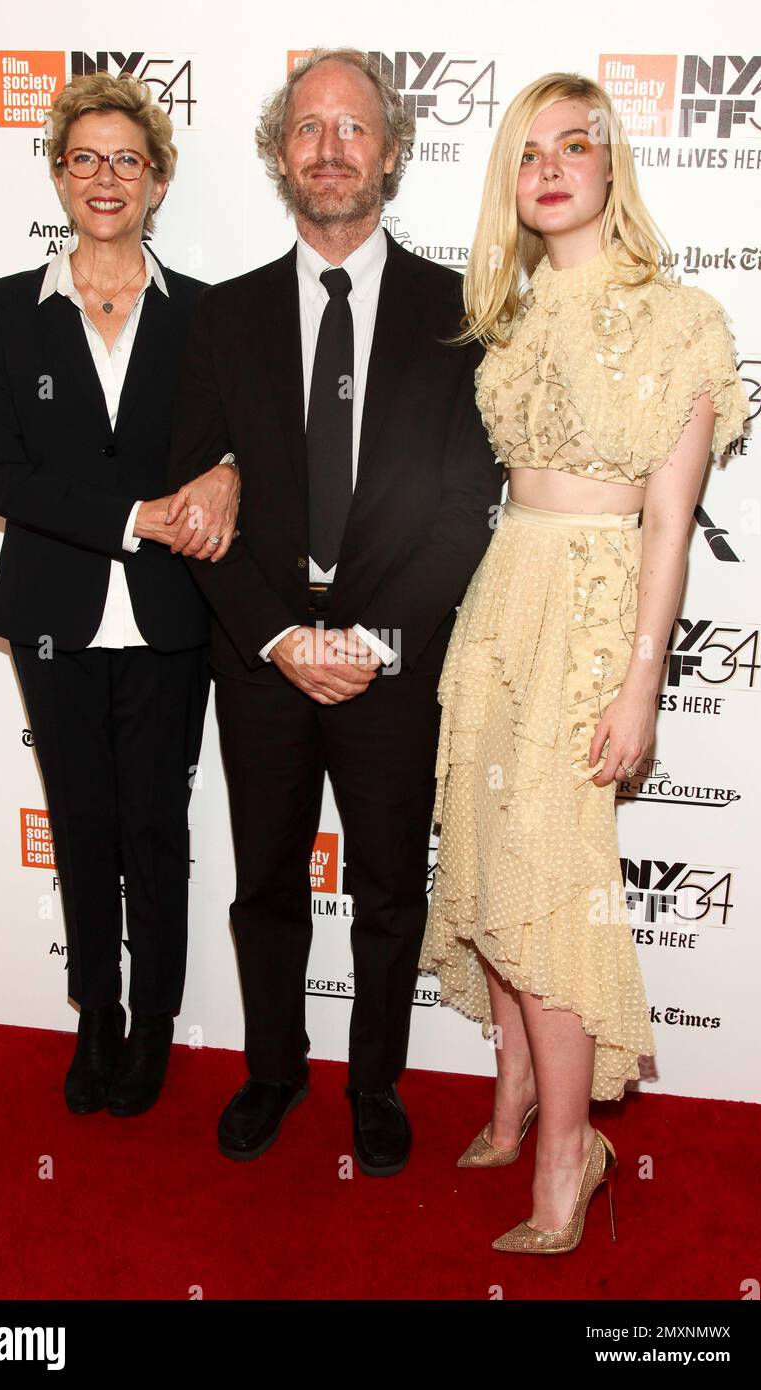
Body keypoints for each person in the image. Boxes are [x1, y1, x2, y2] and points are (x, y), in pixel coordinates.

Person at [420, 72, 750, 1250]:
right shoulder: (505, 318)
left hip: (596, 615)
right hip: (502, 603)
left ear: (613, 167)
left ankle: (572, 1150)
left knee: (552, 889)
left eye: (576, 144)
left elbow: (667, 522)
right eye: (528, 151)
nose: (552, 165)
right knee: (490, 867)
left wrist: (639, 680)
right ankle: (514, 1090)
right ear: (509, 180)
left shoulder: (680, 321)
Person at [167, 48, 499, 1175]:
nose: (327, 148)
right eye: (306, 129)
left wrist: (369, 639)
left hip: (388, 660)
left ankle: (374, 1083)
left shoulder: (458, 314)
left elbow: (465, 507)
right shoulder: (220, 319)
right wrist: (276, 635)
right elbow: (192, 503)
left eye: (350, 128)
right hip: (258, 657)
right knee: (265, 882)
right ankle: (272, 1070)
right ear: (276, 155)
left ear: (391, 152)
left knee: (390, 890)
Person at [0, 72, 240, 1117]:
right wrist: (135, 517)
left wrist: (227, 475)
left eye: (128, 158)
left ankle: (157, 1024)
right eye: (84, 157)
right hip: (54, 613)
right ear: (56, 172)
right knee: (81, 820)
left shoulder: (205, 317)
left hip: (174, 616)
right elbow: (3, 476)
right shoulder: (7, 310)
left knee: (154, 829)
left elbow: (239, 446)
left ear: (158, 179)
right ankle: (96, 1013)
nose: (105, 177)